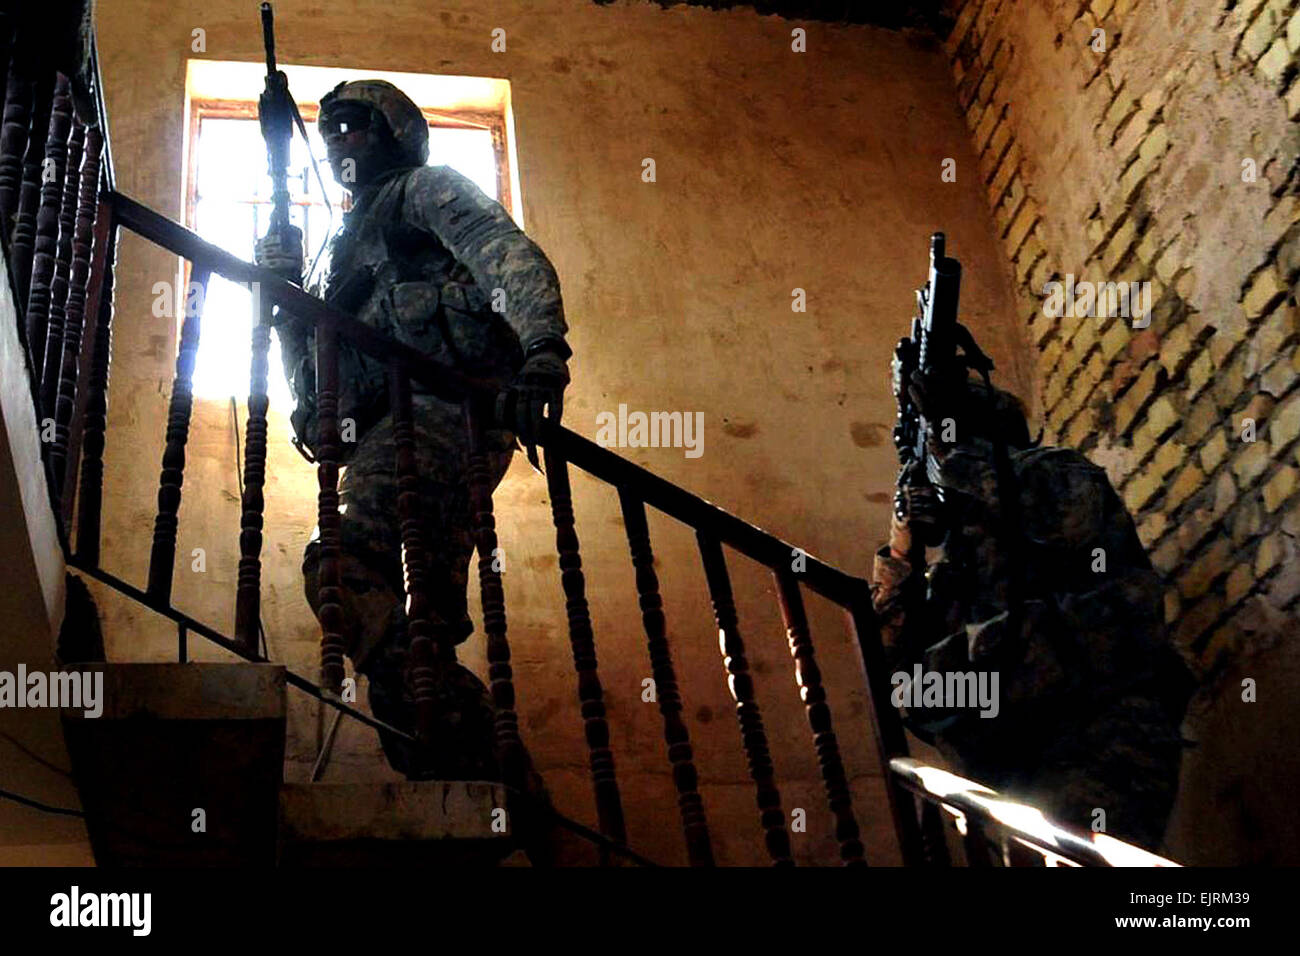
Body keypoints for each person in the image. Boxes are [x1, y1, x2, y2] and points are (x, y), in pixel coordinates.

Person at [254, 79, 571, 781]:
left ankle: (459, 730)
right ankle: (469, 752)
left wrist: (544, 347)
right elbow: (312, 371)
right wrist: (282, 297)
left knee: (341, 561)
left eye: (355, 125)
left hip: (442, 413)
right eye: (328, 128)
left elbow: (501, 250)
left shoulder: (422, 191)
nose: (338, 138)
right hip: (381, 428)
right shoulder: (338, 245)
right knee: (417, 618)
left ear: (395, 132)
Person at [872, 370, 1195, 852]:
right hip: (1006, 763)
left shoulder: (1053, 472)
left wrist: (956, 457)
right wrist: (902, 551)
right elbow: (893, 664)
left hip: (1098, 730)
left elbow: (1065, 522)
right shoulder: (957, 570)